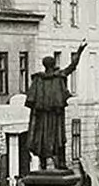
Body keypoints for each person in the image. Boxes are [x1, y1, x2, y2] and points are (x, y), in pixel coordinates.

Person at [25, 41, 88, 170]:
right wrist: (80, 50)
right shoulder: (59, 76)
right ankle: (61, 163)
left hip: (42, 117)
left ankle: (43, 164)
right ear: (53, 65)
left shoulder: (38, 79)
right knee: (58, 138)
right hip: (55, 116)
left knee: (42, 138)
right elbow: (72, 66)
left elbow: (32, 100)